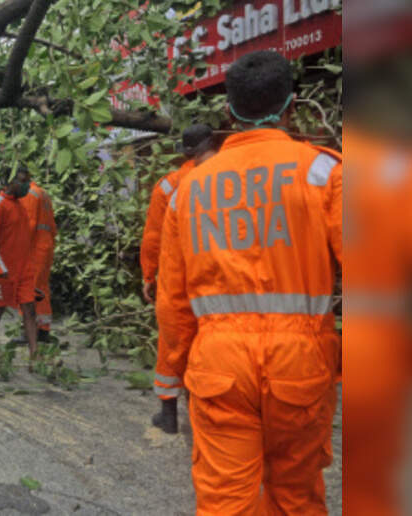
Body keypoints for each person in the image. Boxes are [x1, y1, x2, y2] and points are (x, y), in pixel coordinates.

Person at [156, 50, 341, 514]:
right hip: (302, 364)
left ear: (228, 112)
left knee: (226, 501)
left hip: (219, 366)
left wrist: (170, 379)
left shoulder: (189, 189)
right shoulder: (324, 173)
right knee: (296, 497)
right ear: (292, 106)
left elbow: (173, 303)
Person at [144, 123, 218, 434]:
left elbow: (153, 237)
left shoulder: (169, 185)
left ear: (185, 151)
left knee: (173, 345)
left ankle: (169, 414)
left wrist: (148, 275)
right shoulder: (233, 176)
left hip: (176, 279)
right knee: (212, 346)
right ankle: (207, 415)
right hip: (218, 278)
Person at [0, 166, 39, 358]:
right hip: (2, 271)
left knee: (29, 309)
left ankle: (35, 354)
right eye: (22, 181)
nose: (26, 186)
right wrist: (0, 267)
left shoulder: (20, 206)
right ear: (10, 182)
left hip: (23, 270)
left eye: (28, 181)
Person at [18, 173, 57, 344]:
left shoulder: (29, 194)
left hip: (34, 249)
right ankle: (43, 330)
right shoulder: (43, 193)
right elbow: (53, 226)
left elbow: (28, 225)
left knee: (29, 289)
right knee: (41, 289)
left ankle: (30, 331)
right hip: (46, 247)